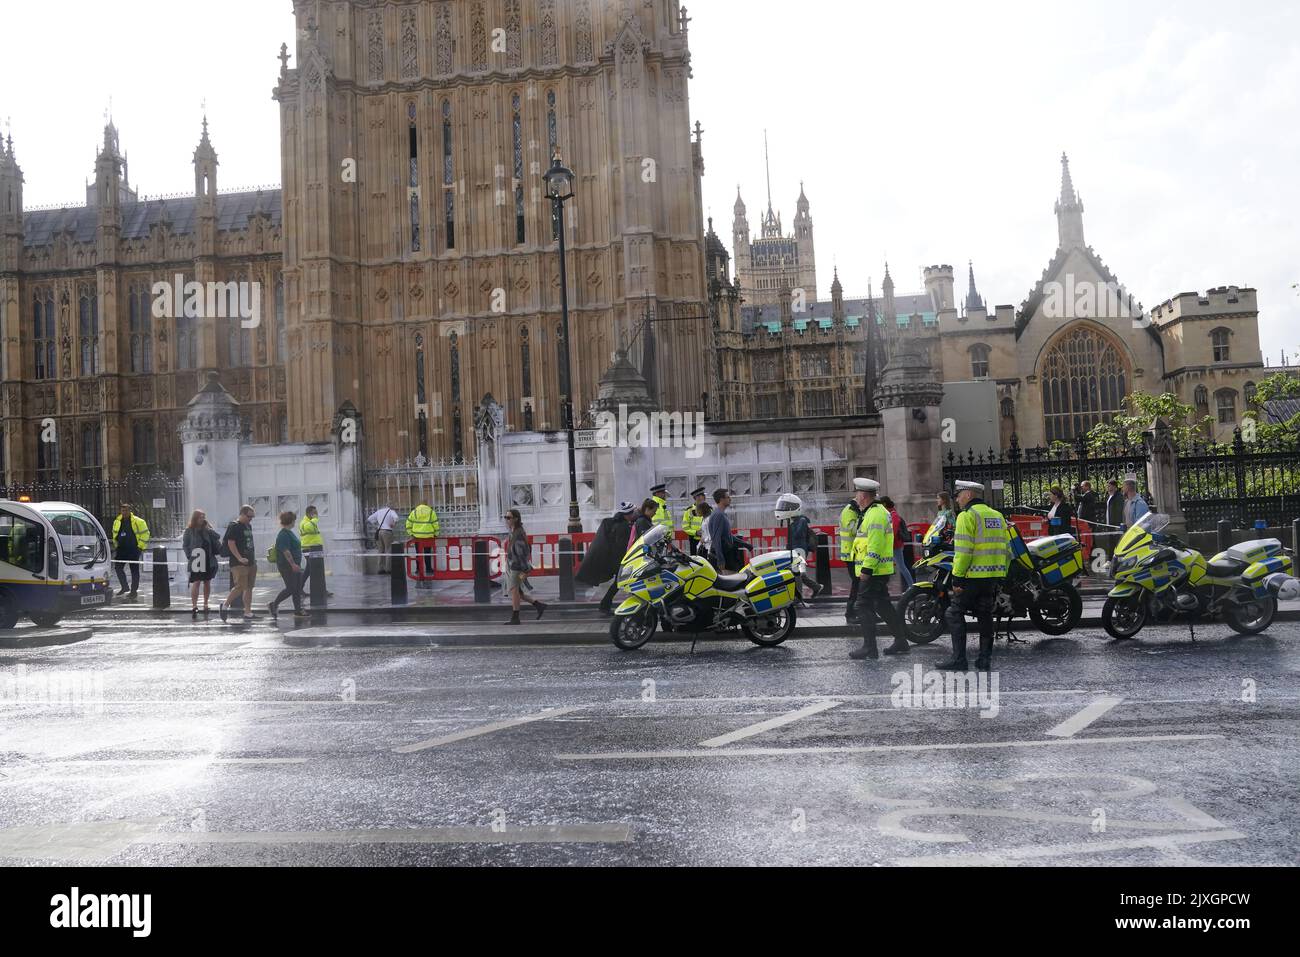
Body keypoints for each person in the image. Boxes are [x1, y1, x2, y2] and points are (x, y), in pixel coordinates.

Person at [937, 480, 1010, 672]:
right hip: (992, 576)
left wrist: (957, 577)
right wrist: (1001, 573)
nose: (957, 499)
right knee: (984, 614)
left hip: (972, 576)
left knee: (953, 613)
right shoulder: (997, 516)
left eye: (959, 495)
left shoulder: (967, 516)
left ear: (968, 494)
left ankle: (959, 659)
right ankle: (984, 659)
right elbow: (1008, 549)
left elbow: (963, 551)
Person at [849, 479, 908, 660]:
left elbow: (874, 545)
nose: (855, 497)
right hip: (879, 570)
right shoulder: (875, 512)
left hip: (873, 571)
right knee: (882, 604)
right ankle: (901, 641)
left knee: (862, 606)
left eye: (857, 493)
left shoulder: (875, 514)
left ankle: (869, 648)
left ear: (864, 495)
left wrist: (866, 569)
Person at [577, 502, 635, 616]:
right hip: (619, 560)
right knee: (619, 584)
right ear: (628, 514)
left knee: (620, 583)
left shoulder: (618, 523)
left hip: (615, 559)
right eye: (632, 513)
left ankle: (606, 605)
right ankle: (605, 605)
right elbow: (621, 547)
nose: (633, 515)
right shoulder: (622, 527)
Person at [775, 493, 824, 600]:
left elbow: (798, 535)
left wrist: (790, 524)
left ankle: (800, 595)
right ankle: (815, 588)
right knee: (797, 573)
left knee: (799, 574)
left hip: (800, 550)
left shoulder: (801, 521)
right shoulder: (795, 521)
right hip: (795, 549)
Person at [503, 509, 547, 625]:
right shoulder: (513, 531)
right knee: (517, 591)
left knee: (514, 590)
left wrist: (522, 569)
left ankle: (515, 618)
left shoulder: (518, 534)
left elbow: (522, 553)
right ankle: (539, 605)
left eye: (509, 518)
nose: (506, 520)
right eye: (505, 517)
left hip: (517, 568)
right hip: (516, 568)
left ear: (516, 519)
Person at [219, 505, 257, 623]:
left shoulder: (248, 526)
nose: (251, 519)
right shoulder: (234, 526)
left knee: (249, 587)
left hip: (250, 561)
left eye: (252, 517)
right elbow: (231, 543)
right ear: (242, 514)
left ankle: (247, 611)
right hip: (238, 563)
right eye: (249, 516)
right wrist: (239, 558)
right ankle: (225, 605)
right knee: (240, 587)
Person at [182, 509, 221, 618]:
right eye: (200, 517)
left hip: (208, 559)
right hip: (197, 559)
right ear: (195, 518)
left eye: (204, 517)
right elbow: (185, 545)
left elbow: (217, 537)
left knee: (207, 582)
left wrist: (208, 528)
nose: (202, 519)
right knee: (197, 582)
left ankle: (205, 603)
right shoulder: (189, 530)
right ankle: (194, 605)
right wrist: (190, 556)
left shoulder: (207, 530)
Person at [269, 511, 308, 620]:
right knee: (291, 588)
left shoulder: (289, 532)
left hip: (294, 565)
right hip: (287, 566)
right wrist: (293, 564)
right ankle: (274, 604)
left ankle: (298, 610)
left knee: (297, 588)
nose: (295, 522)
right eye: (294, 520)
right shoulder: (283, 535)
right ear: (290, 521)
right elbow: (286, 551)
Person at [110, 503, 151, 599]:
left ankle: (133, 591)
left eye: (126, 510)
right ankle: (124, 587)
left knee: (134, 571)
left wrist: (140, 547)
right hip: (121, 549)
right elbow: (114, 533)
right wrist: (117, 545)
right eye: (122, 510)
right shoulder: (117, 521)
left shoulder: (138, 521)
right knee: (118, 568)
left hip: (133, 549)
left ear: (130, 511)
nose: (124, 512)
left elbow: (146, 534)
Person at [705, 488, 746, 572]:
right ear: (721, 500)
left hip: (726, 554)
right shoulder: (719, 515)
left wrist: (745, 544)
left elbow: (727, 535)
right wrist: (720, 559)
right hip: (723, 556)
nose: (730, 499)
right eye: (728, 497)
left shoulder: (722, 514)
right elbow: (716, 538)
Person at [880, 495, 914, 591]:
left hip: (895, 546)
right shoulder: (890, 514)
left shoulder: (893, 515)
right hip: (893, 545)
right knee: (890, 566)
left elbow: (893, 531)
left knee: (901, 566)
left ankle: (912, 586)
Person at [838, 495, 863, 625]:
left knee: (860, 583)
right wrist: (864, 522)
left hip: (855, 553)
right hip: (850, 554)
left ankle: (863, 612)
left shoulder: (854, 511)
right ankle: (850, 613)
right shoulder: (849, 511)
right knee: (857, 583)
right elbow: (852, 530)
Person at [298, 505, 332, 600]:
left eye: (316, 513)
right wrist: (315, 519)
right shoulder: (305, 522)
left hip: (315, 549)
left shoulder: (309, 522)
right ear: (309, 513)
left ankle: (300, 588)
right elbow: (310, 528)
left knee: (311, 570)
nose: (316, 515)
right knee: (315, 570)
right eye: (314, 513)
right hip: (308, 549)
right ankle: (320, 590)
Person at [406, 502, 441, 577]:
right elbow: (435, 524)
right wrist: (436, 534)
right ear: (426, 504)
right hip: (428, 536)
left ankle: (418, 569)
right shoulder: (431, 511)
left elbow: (408, 523)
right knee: (427, 553)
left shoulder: (414, 511)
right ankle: (428, 568)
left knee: (418, 553)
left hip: (417, 536)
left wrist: (410, 533)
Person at [366, 503, 400, 574]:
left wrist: (376, 525)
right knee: (388, 550)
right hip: (387, 532)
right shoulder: (391, 511)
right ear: (391, 506)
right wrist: (393, 524)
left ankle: (380, 569)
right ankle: (388, 569)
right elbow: (396, 518)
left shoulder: (379, 511)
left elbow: (369, 519)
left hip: (379, 532)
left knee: (380, 550)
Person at [681, 487, 708, 556]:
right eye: (700, 497)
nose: (703, 498)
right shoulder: (689, 511)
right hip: (694, 540)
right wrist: (695, 532)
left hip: (707, 540)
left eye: (703, 496)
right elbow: (685, 527)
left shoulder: (709, 509)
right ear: (696, 498)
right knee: (696, 561)